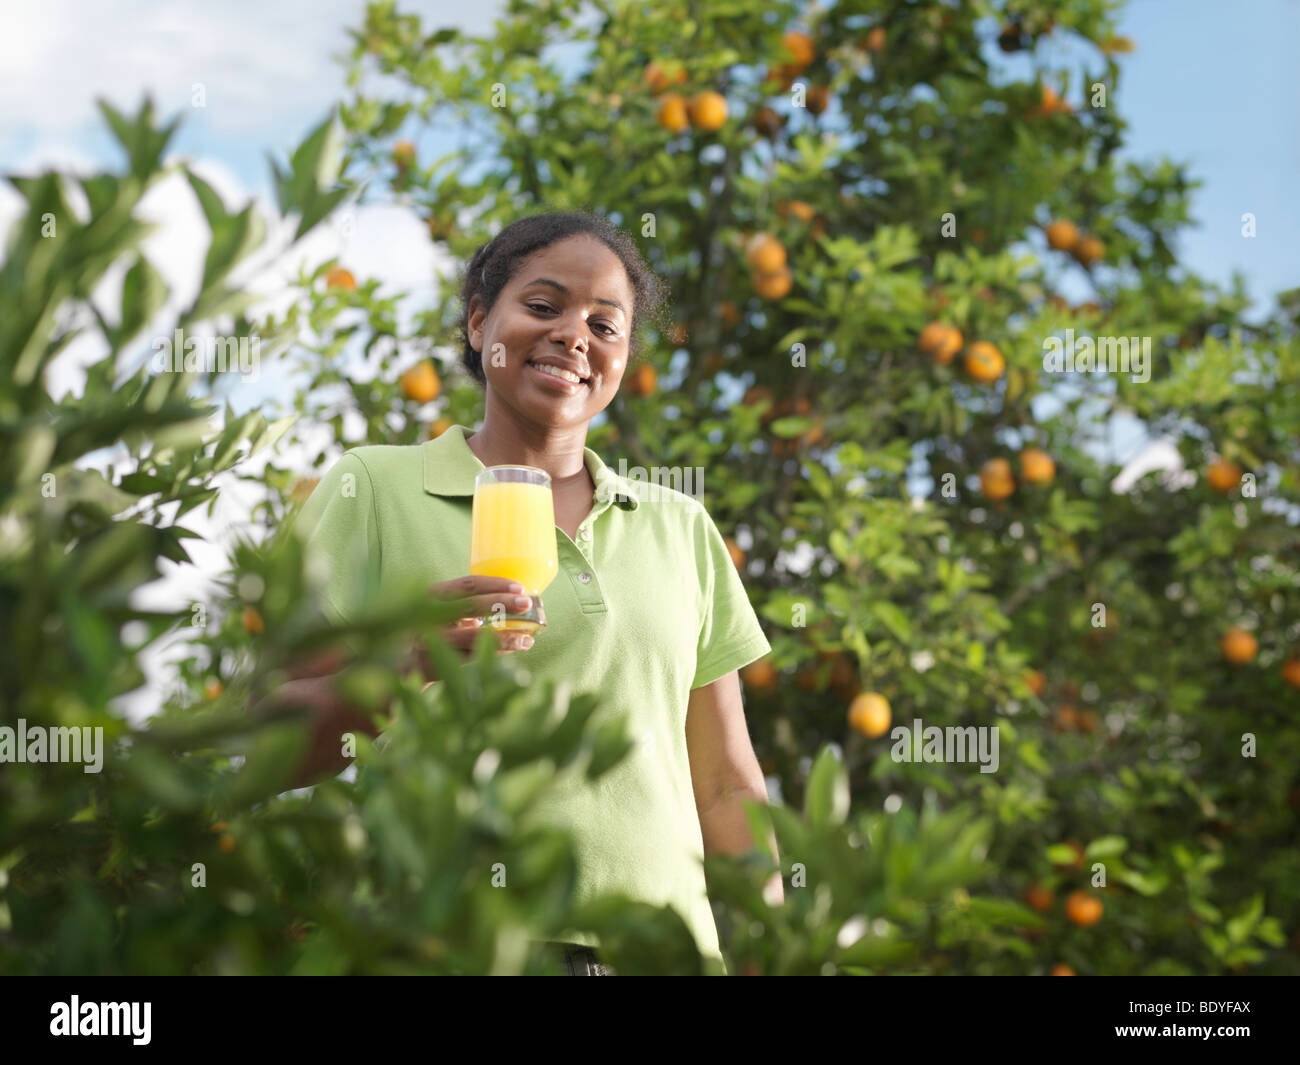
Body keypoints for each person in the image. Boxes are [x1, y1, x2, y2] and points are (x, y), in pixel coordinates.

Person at [259, 210, 780, 976]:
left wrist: (779, 938)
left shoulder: (680, 526)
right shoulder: (371, 487)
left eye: (606, 324)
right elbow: (267, 737)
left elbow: (725, 778)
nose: (575, 335)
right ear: (479, 322)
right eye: (543, 306)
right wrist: (415, 661)